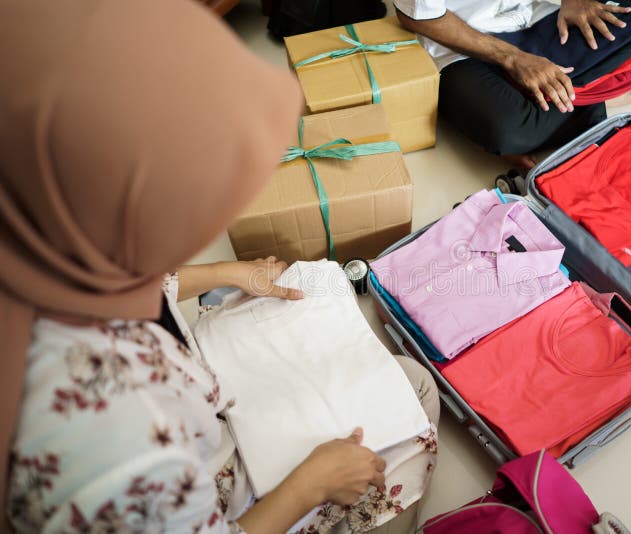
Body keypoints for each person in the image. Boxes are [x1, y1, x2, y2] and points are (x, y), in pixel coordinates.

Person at [0, 1, 438, 532]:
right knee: (409, 401)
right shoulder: (117, 442)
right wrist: (312, 483)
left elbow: (143, 285)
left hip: (195, 407)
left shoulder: (42, 237)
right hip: (213, 483)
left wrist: (229, 275)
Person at [394, 0, 631, 169]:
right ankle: (623, 94)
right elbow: (417, 17)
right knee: (508, 129)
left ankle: (564, 111)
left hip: (534, 13)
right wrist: (513, 58)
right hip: (462, 41)